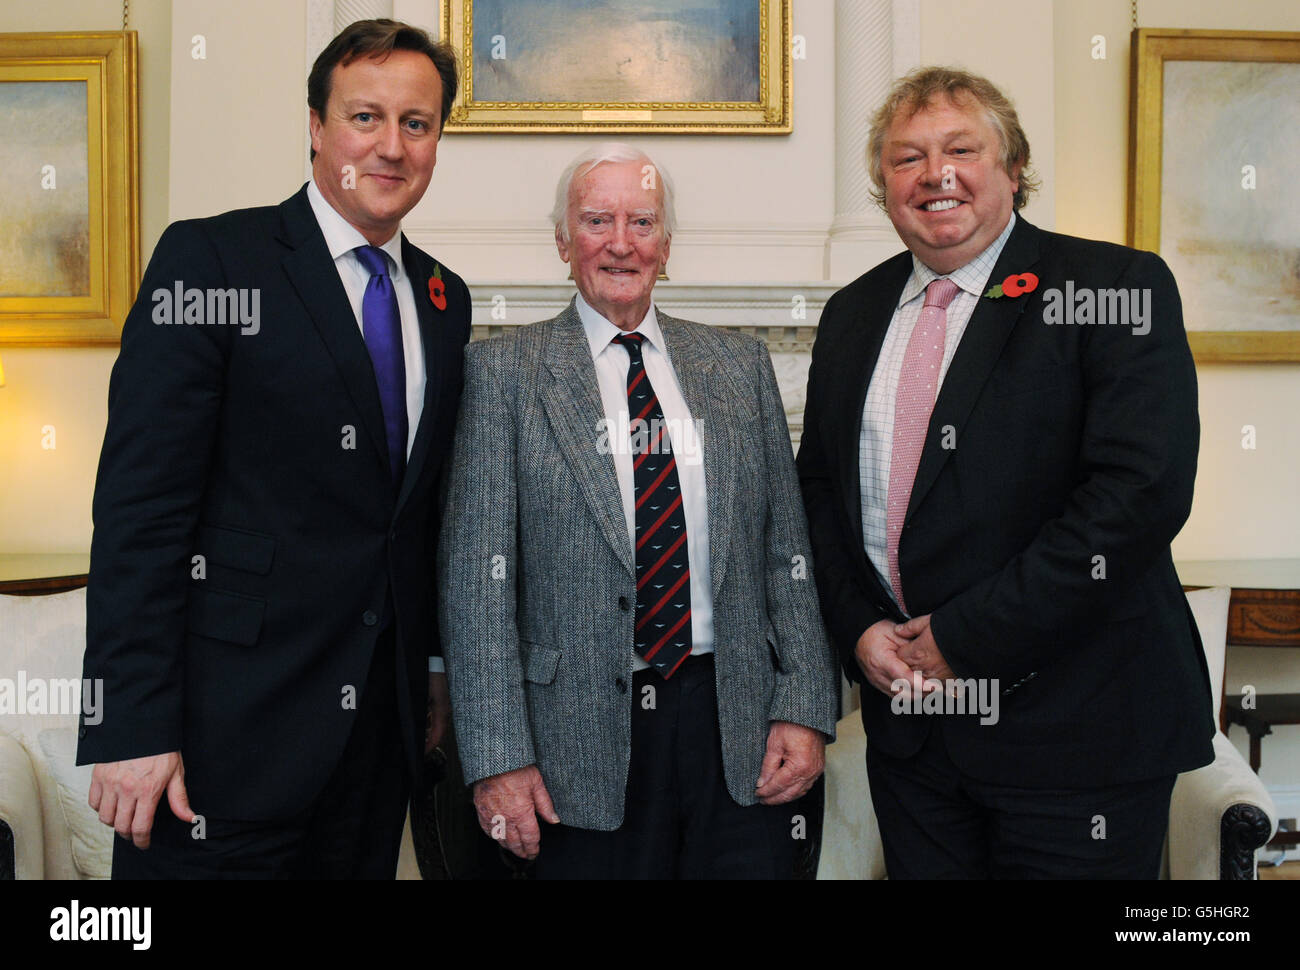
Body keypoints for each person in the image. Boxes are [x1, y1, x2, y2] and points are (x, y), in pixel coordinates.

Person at [76, 19, 472, 878]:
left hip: (373, 752)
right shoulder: (212, 263)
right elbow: (140, 510)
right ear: (316, 125)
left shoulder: (445, 299)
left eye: (417, 123)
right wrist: (132, 725)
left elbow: (419, 516)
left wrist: (432, 671)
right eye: (365, 117)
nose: (392, 146)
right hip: (219, 747)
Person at [797, 67, 1215, 879]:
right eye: (906, 157)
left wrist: (961, 639)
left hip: (1079, 732)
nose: (935, 174)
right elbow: (818, 490)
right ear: (884, 185)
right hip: (915, 740)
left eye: (961, 149)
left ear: (1013, 169)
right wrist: (857, 629)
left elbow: (1137, 495)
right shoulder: (852, 313)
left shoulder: (1112, 287)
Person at [438, 143, 838, 879]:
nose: (620, 242)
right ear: (563, 242)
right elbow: (477, 591)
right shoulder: (500, 377)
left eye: (642, 221)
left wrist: (808, 705)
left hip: (738, 728)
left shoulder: (737, 366)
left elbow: (789, 555)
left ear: (666, 244)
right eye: (596, 221)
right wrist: (498, 757)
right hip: (571, 748)